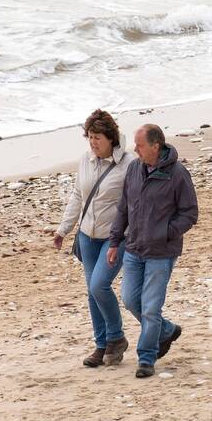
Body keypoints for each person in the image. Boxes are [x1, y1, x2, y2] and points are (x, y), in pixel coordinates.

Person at [107, 124, 198, 379]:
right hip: (134, 249)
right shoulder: (135, 169)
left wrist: (164, 232)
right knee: (130, 300)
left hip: (162, 252)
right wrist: (115, 242)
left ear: (155, 146)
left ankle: (146, 357)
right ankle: (167, 330)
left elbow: (190, 213)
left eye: (140, 145)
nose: (135, 150)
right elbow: (123, 208)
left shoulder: (178, 174)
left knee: (150, 308)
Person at [54, 109, 132, 367]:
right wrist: (63, 229)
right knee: (92, 292)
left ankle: (116, 338)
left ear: (111, 138)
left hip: (115, 238)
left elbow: (137, 203)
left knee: (99, 285)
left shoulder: (128, 164)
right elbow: (78, 195)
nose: (93, 142)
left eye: (97, 137)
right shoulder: (85, 160)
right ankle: (102, 345)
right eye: (89, 137)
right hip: (87, 236)